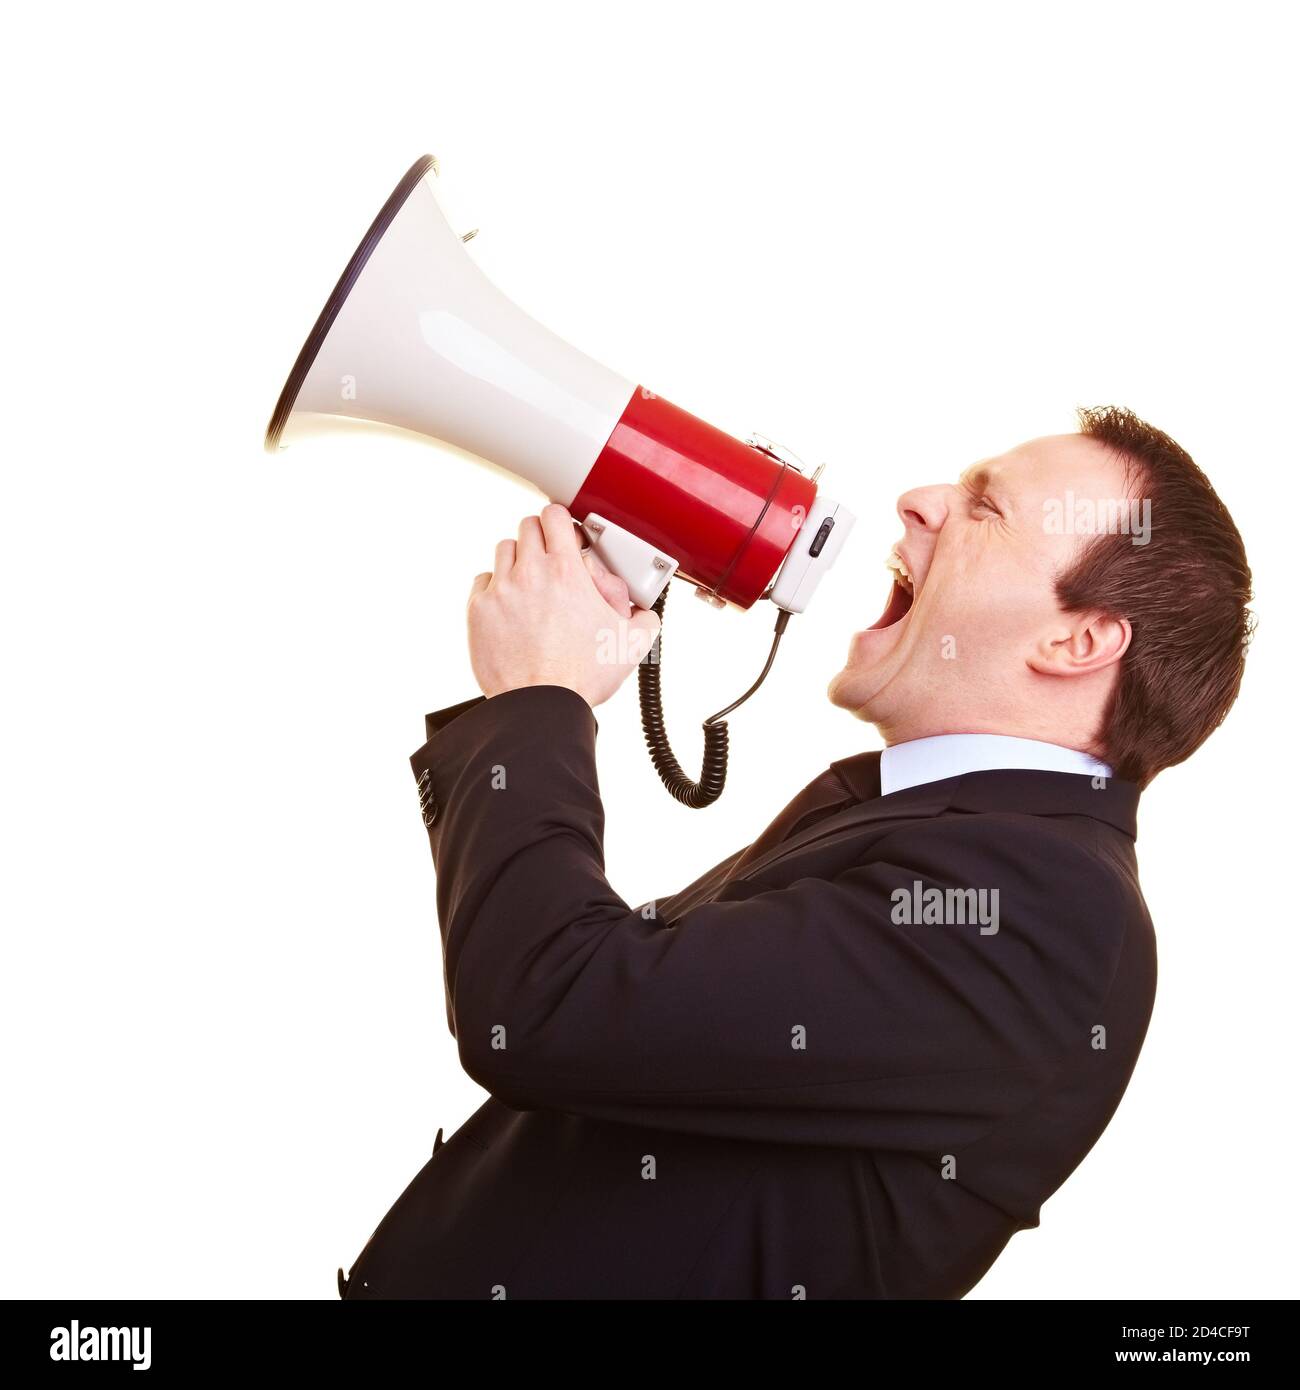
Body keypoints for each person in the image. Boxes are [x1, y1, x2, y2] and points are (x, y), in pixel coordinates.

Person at [339, 405, 1252, 1300]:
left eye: (984, 508)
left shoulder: (1041, 909)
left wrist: (539, 699)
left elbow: (549, 1004)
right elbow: (626, 1038)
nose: (920, 500)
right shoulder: (940, 826)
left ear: (1077, 641)